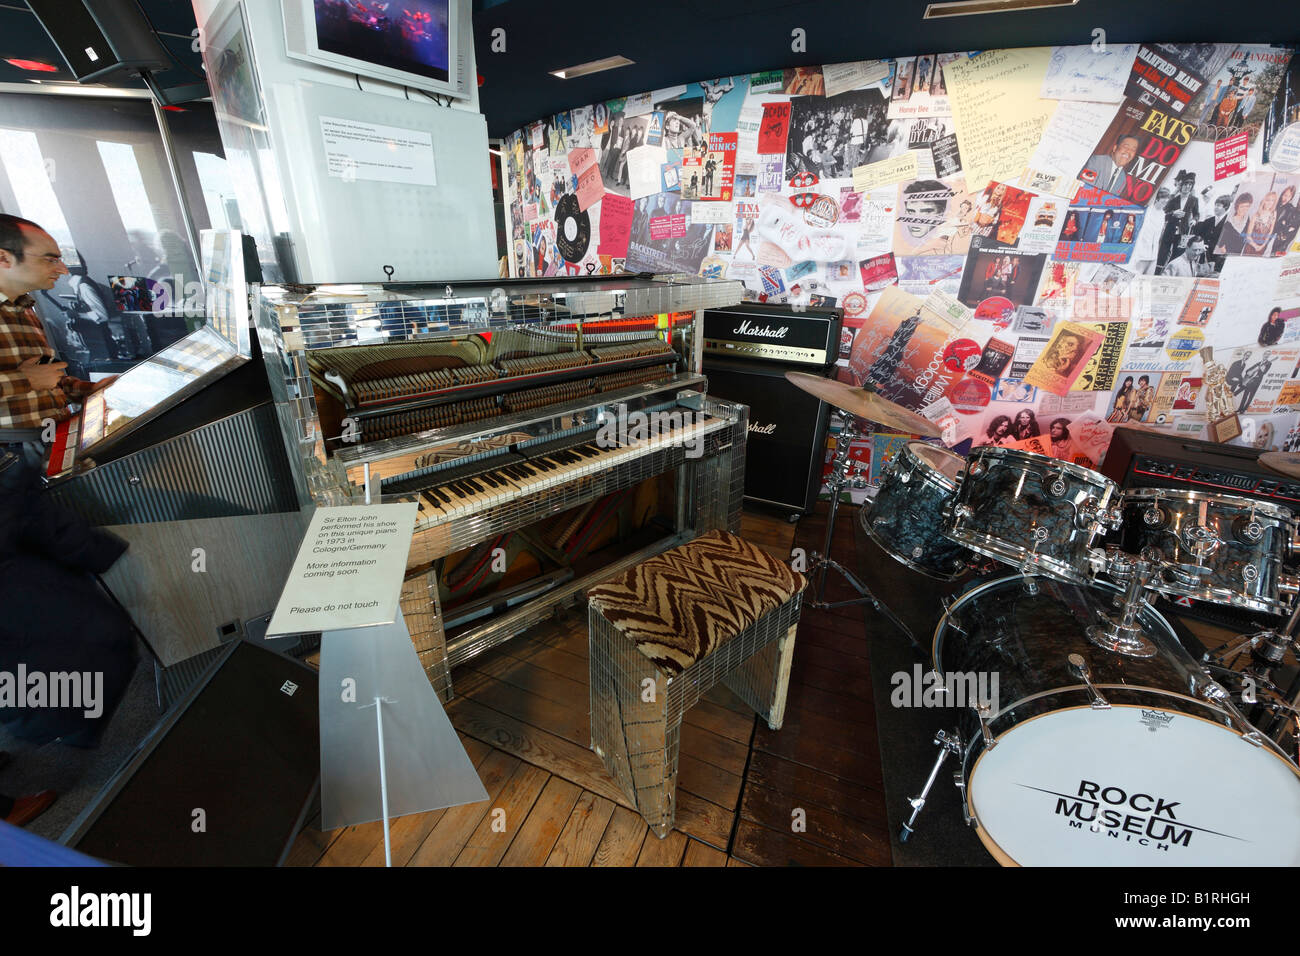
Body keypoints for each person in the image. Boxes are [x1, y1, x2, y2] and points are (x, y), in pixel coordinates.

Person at [1245, 191, 1278, 256]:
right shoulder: (1256, 215)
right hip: (1251, 246)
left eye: (1272, 201)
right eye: (1268, 200)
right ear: (1264, 201)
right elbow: (1247, 235)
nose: (1270, 203)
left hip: (1262, 246)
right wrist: (1255, 246)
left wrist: (1263, 245)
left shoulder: (1274, 213)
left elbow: (1270, 232)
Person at [1272, 185, 1300, 253]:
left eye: (1289, 196)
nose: (1286, 198)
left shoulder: (1290, 209)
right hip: (1268, 233)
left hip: (1281, 240)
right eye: (1285, 195)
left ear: (1291, 198)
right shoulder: (1274, 203)